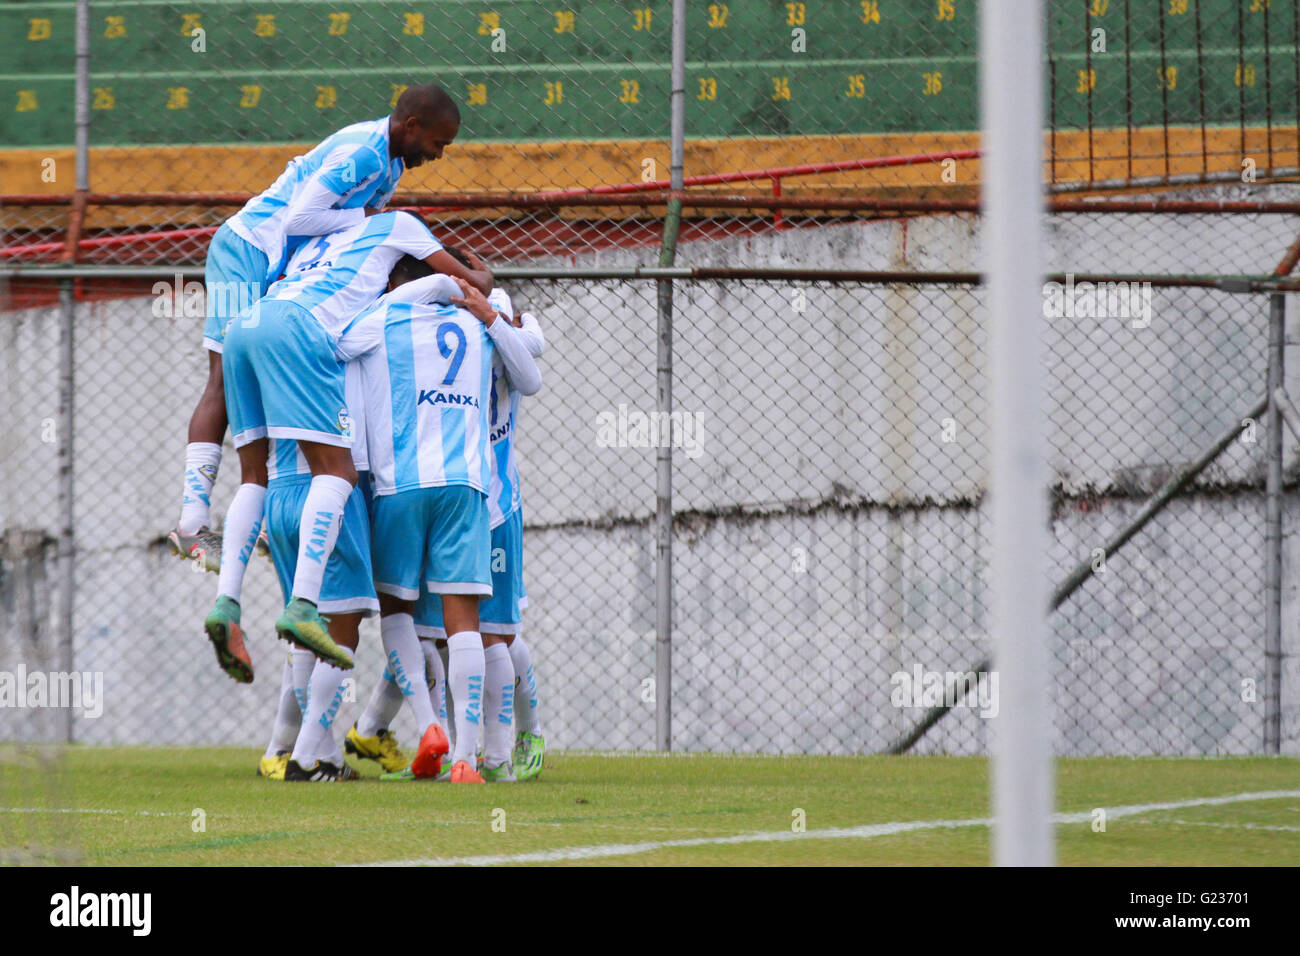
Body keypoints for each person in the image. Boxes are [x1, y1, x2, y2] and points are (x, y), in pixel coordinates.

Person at [170, 83, 463, 570]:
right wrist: (370, 216)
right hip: (246, 250)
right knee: (225, 379)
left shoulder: (389, 165)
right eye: (437, 144)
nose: (438, 155)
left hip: (281, 274)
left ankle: (261, 522)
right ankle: (191, 525)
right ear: (411, 126)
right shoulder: (364, 153)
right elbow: (300, 219)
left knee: (266, 383)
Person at [202, 210, 490, 681]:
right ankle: (303, 604)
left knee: (254, 478)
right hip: (296, 328)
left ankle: (226, 602)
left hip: (246, 324)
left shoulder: (322, 244)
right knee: (337, 473)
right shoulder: (399, 229)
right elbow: (464, 279)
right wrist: (473, 279)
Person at [355, 255, 539, 782]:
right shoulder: (474, 324)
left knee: (400, 615)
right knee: (469, 627)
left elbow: (339, 342)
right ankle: (467, 758)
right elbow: (530, 376)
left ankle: (427, 723)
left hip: (401, 485)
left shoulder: (383, 320)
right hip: (468, 487)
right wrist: (490, 312)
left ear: (395, 283)